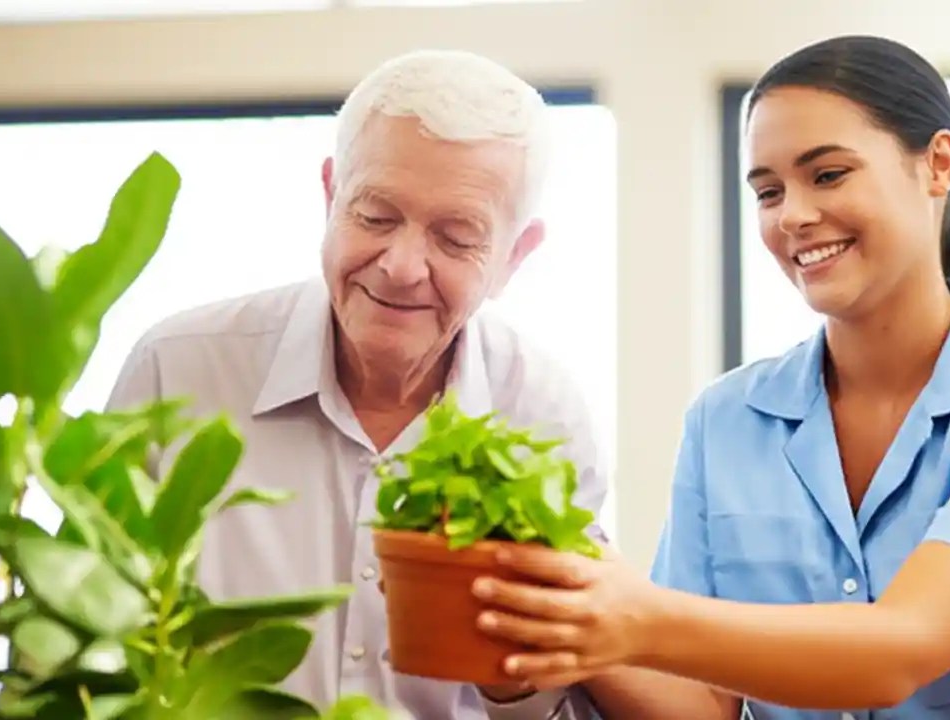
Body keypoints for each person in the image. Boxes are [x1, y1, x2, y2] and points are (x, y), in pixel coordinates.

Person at [466, 34, 950, 719]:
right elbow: (702, 705)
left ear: (937, 163)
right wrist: (541, 627)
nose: (793, 216)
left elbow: (901, 648)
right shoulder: (724, 420)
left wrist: (631, 613)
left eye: (828, 174)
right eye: (768, 191)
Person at [106, 49, 607, 720]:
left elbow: (555, 700)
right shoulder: (178, 370)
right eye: (374, 217)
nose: (401, 267)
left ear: (515, 257)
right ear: (330, 194)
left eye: (456, 238)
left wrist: (516, 668)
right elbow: (80, 647)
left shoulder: (543, 412)